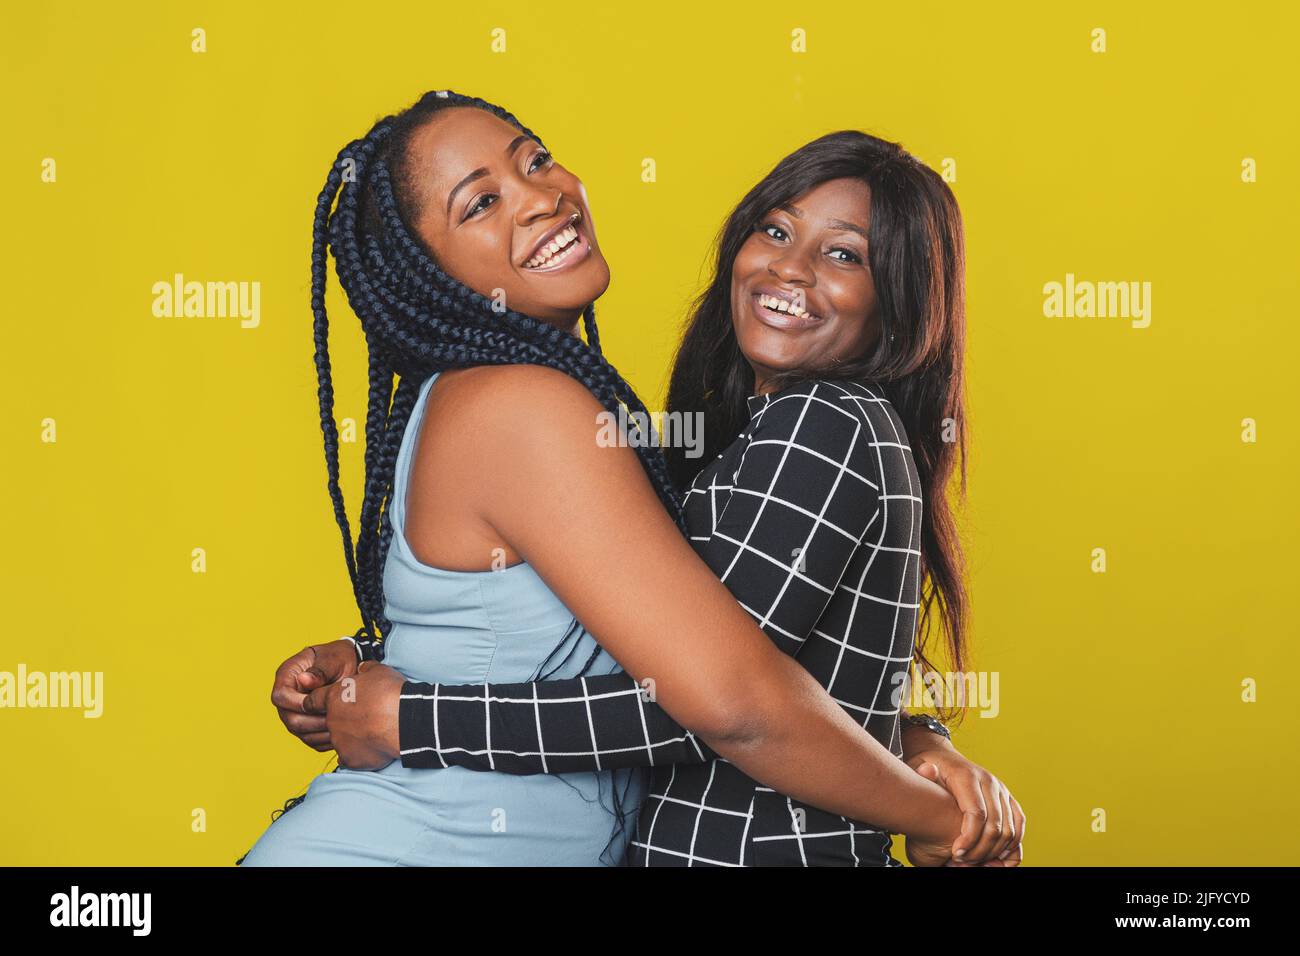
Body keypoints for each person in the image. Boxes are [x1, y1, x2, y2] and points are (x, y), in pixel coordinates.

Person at [243, 90, 1021, 867]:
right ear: (427, 269)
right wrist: (938, 814)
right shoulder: (521, 404)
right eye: (481, 203)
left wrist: (917, 739)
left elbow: (728, 658)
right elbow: (732, 703)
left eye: (535, 160)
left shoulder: (540, 404)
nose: (541, 199)